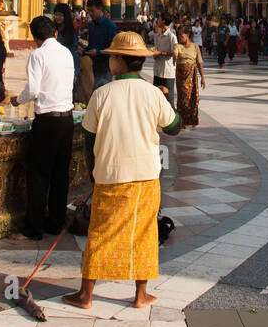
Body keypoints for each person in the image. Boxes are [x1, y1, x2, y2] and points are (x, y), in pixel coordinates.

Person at [63, 31, 180, 310]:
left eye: (113, 56)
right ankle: (141, 295)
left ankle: (86, 295)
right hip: (146, 177)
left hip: (110, 176)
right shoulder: (152, 93)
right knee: (144, 233)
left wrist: (94, 173)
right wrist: (166, 99)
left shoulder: (102, 95)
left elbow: (89, 139)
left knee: (101, 232)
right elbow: (175, 127)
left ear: (120, 61)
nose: (110, 61)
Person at [10, 15, 75, 241]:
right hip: (67, 119)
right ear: (55, 33)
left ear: (35, 38)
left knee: (39, 174)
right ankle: (56, 222)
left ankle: (34, 228)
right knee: (60, 173)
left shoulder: (38, 54)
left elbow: (34, 89)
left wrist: (18, 100)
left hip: (47, 120)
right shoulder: (66, 52)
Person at [174, 24, 205, 128]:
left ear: (188, 35)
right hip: (181, 76)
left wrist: (203, 78)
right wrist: (174, 56)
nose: (180, 38)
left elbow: (199, 63)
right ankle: (182, 121)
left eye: (182, 36)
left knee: (193, 98)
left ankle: (192, 120)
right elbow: (176, 52)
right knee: (182, 98)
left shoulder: (195, 47)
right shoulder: (178, 46)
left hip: (191, 75)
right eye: (179, 36)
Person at [85, 0, 118, 92]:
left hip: (106, 65)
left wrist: (98, 52)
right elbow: (91, 45)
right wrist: (83, 51)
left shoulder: (109, 25)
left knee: (102, 92)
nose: (90, 14)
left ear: (100, 9)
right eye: (89, 11)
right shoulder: (92, 25)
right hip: (95, 64)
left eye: (92, 11)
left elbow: (113, 48)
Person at [153, 15, 177, 107]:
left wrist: (161, 53)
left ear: (163, 21)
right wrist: (155, 54)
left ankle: (171, 117)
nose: (157, 21)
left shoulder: (171, 36)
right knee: (157, 95)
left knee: (168, 97)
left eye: (158, 19)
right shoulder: (157, 36)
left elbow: (174, 52)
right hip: (158, 69)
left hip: (168, 70)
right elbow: (156, 49)